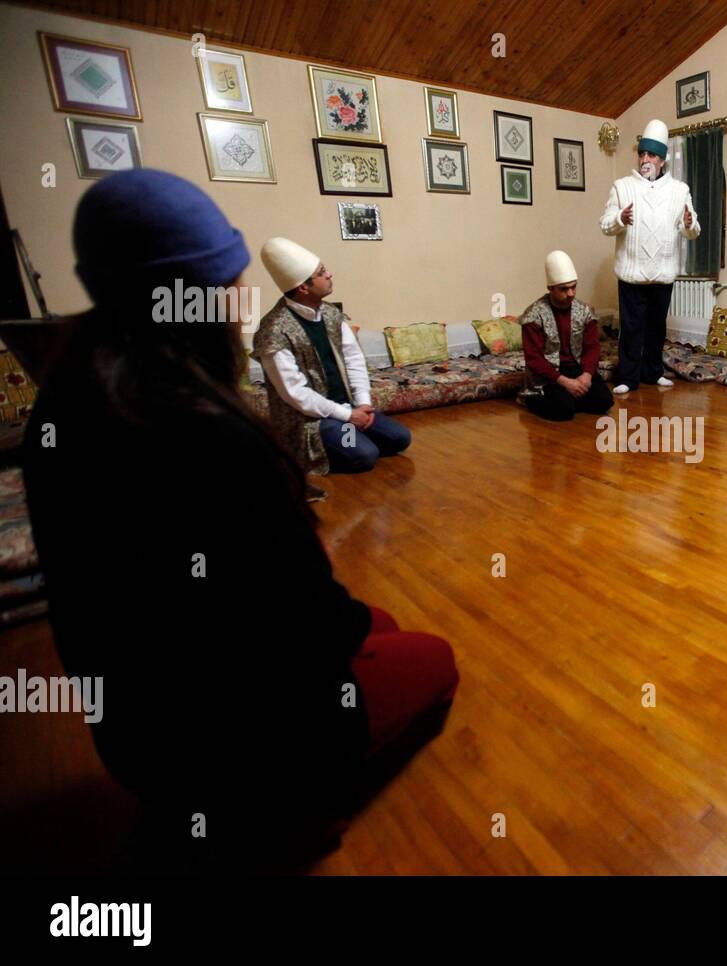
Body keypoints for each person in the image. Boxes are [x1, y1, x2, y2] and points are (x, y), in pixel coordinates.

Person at [22, 170, 458, 859]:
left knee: (381, 623)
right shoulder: (212, 434)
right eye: (227, 282)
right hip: (247, 745)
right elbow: (308, 621)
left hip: (137, 742)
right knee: (433, 658)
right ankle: (285, 809)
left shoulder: (60, 411)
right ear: (195, 296)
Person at [253, 237, 411, 481]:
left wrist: (362, 404)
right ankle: (342, 441)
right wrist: (347, 417)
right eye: (321, 272)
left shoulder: (330, 314)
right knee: (365, 455)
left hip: (350, 409)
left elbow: (353, 359)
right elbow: (295, 394)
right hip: (314, 420)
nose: (329, 274)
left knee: (400, 438)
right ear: (303, 287)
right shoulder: (273, 331)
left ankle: (349, 436)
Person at [599, 118, 700, 394]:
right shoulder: (622, 187)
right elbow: (605, 224)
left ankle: (653, 372)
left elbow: (692, 230)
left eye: (652, 155)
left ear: (662, 160)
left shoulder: (680, 190)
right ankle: (627, 378)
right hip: (632, 273)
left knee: (657, 328)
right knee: (630, 329)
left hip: (663, 273)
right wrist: (621, 216)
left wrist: (689, 223)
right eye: (642, 153)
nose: (645, 159)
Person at [518, 250, 613, 421]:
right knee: (563, 411)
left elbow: (592, 347)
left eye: (573, 287)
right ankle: (538, 399)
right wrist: (565, 383)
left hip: (576, 367)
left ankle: (569, 398)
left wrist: (587, 375)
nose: (571, 293)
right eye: (564, 289)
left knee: (605, 401)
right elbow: (534, 359)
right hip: (549, 373)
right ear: (550, 289)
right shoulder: (533, 315)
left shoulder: (585, 311)